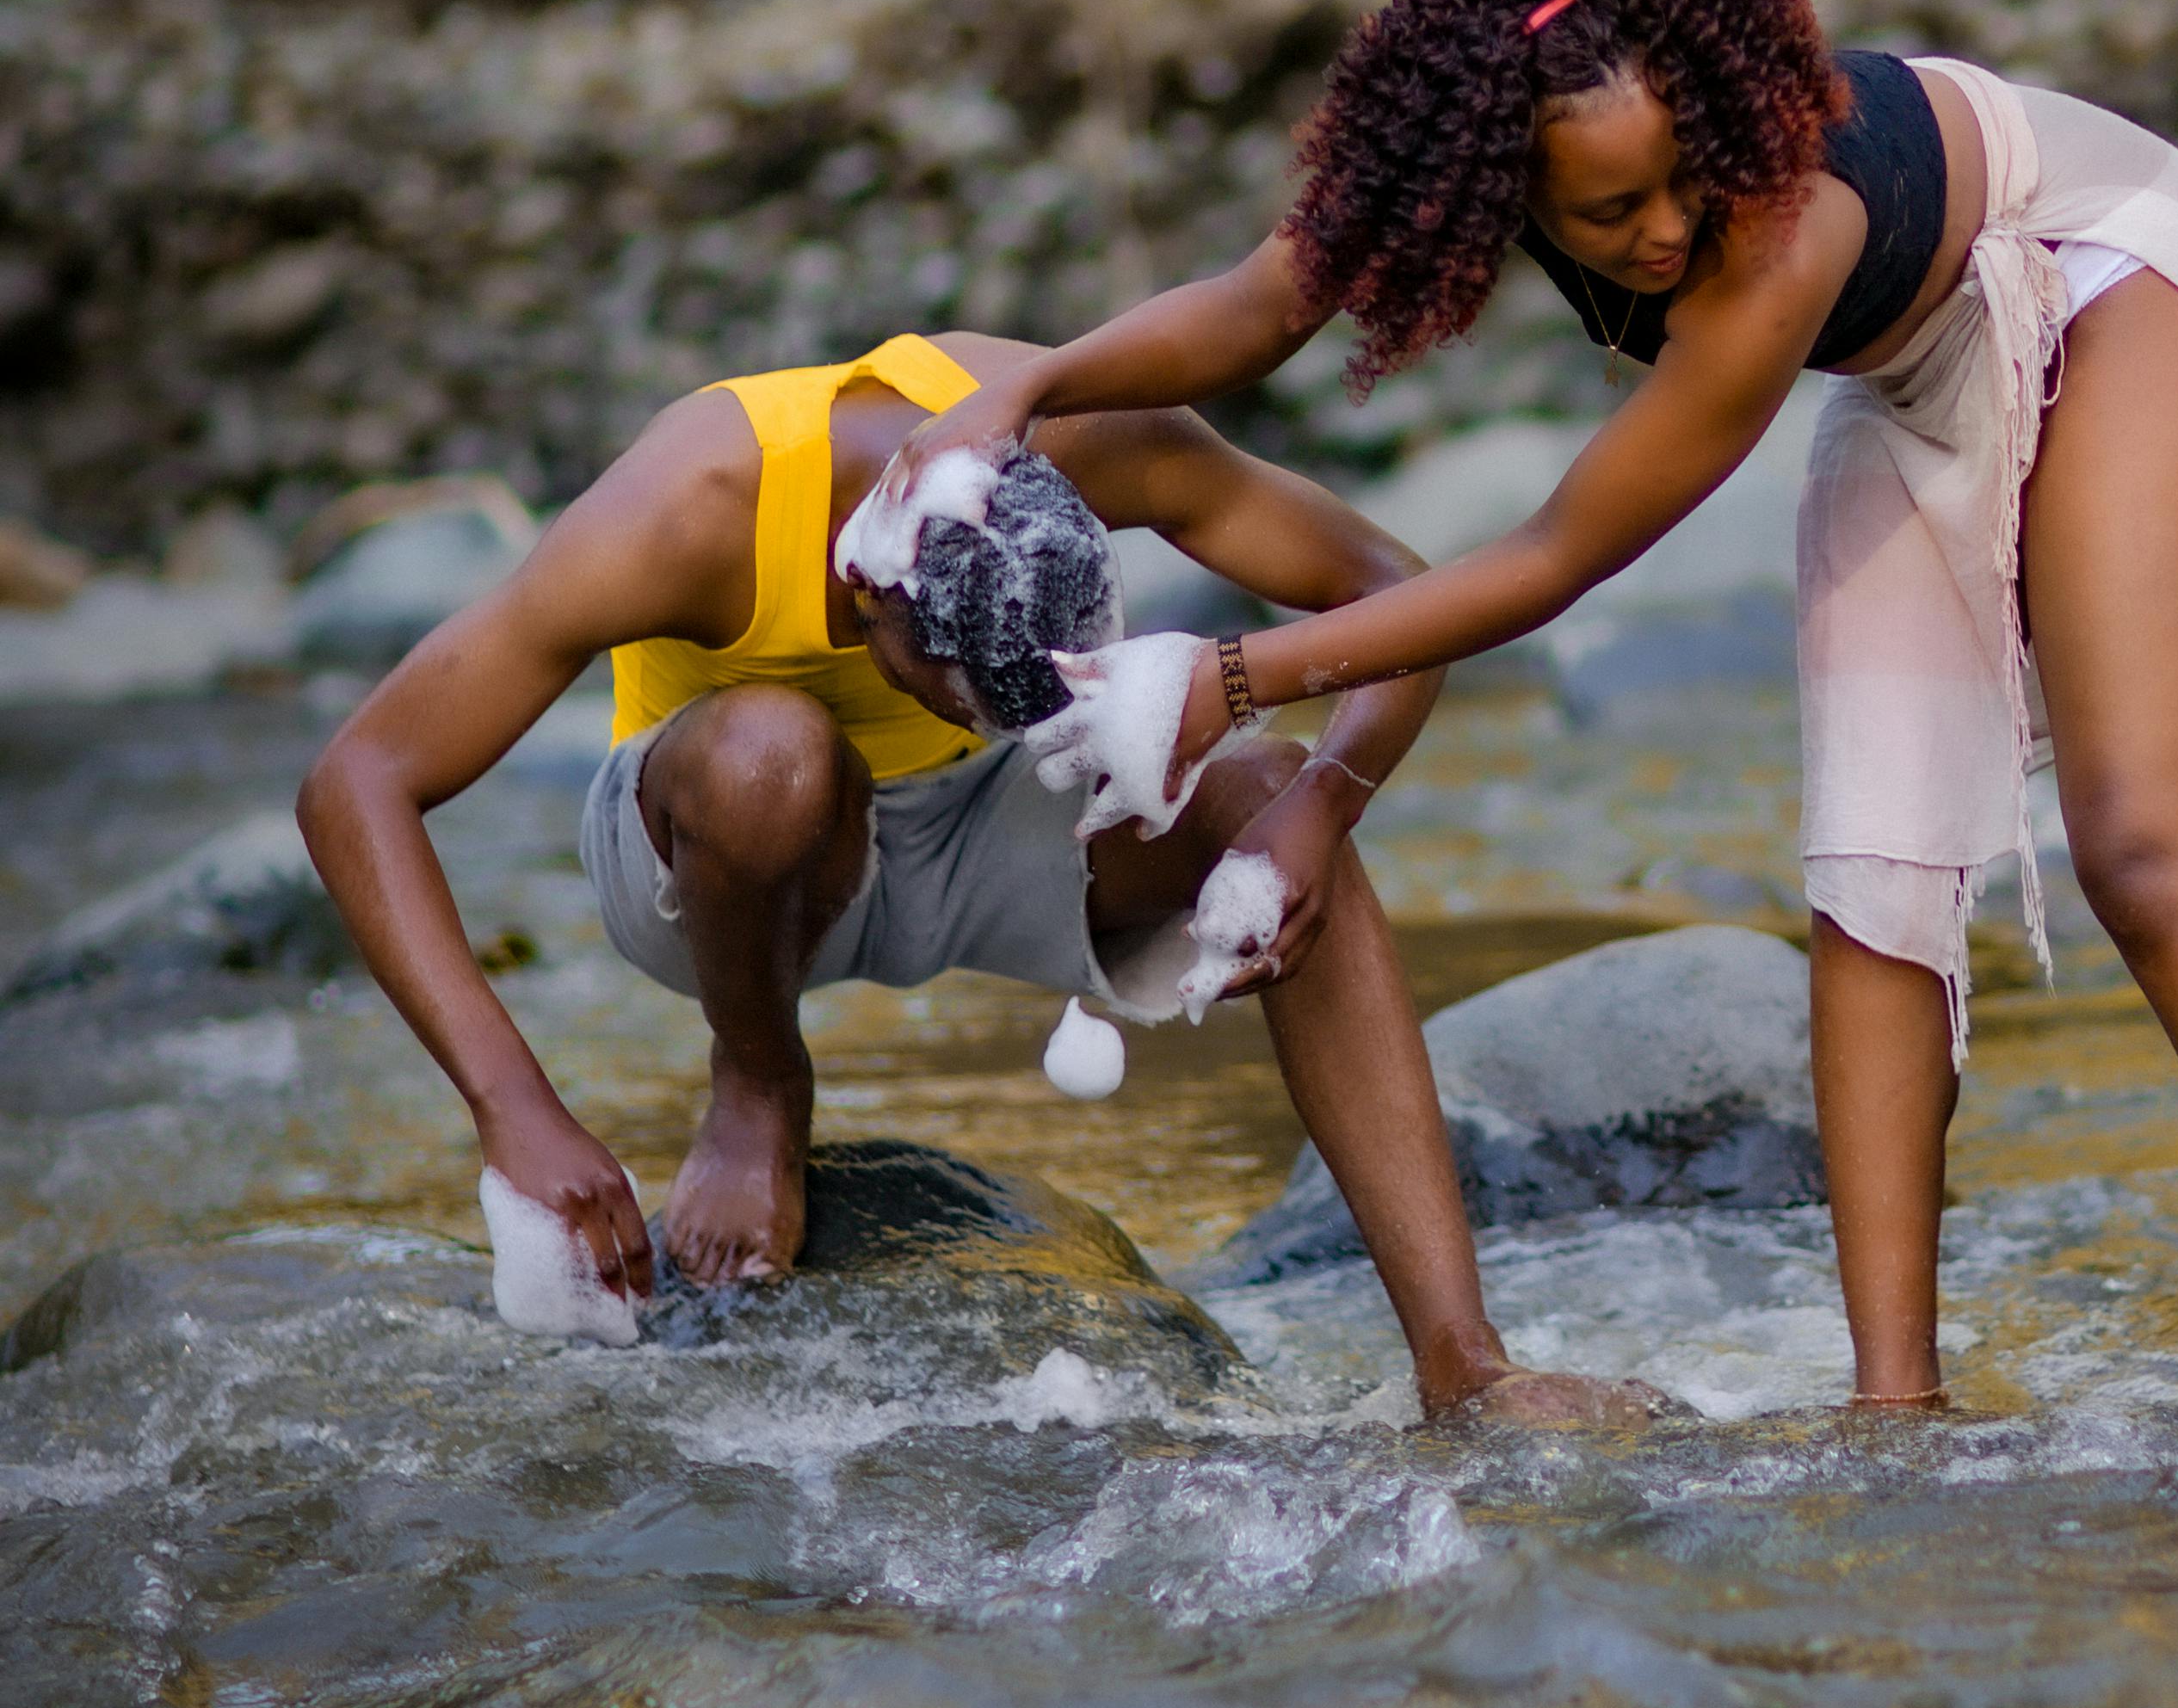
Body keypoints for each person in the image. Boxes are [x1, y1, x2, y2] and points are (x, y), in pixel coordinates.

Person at [883, 0, 2178, 1427]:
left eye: (1680, 178)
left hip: (2106, 279)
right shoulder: (1466, 164)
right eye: (1609, 215)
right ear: (1504, 184)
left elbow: (1553, 557)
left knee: (2139, 846)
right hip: (1912, 370)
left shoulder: (1780, 231)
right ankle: (1895, 1414)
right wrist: (1034, 390)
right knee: (1868, 870)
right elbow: (1260, 308)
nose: (1663, 229)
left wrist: (1240, 676)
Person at [297, 328, 1642, 1425]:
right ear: (867, 584)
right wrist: (514, 1108)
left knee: (1268, 784)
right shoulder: (687, 507)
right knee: (775, 746)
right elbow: (355, 782)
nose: (1005, 711)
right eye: (964, 690)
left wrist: (1319, 812)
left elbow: (1392, 591)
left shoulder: (1081, 431)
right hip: (723, 865)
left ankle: (1464, 1368)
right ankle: (759, 1080)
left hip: (991, 836)